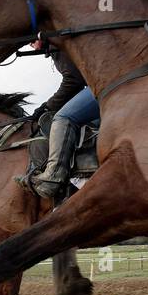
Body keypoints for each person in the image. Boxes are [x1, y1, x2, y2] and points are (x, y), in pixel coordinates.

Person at [25, 50, 97, 198]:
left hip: (104, 83)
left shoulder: (56, 44)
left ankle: (53, 177)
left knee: (63, 117)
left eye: (33, 40)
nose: (32, 44)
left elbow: (74, 80)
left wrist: (48, 106)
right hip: (104, 82)